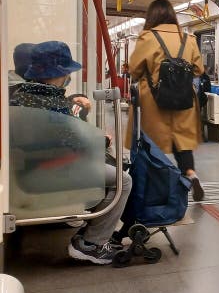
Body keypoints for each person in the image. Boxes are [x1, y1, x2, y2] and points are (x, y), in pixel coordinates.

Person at [11, 41, 132, 265]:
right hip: (51, 171)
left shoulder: (20, 95)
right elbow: (75, 146)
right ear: (59, 73)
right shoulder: (53, 103)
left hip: (28, 169)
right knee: (122, 180)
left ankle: (91, 233)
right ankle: (92, 244)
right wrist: (102, 141)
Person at [127, 0, 206, 201]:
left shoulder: (147, 38)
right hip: (183, 99)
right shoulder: (188, 39)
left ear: (152, 16)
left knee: (150, 143)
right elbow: (199, 69)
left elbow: (134, 69)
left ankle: (154, 188)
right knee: (182, 142)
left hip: (153, 100)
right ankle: (191, 174)